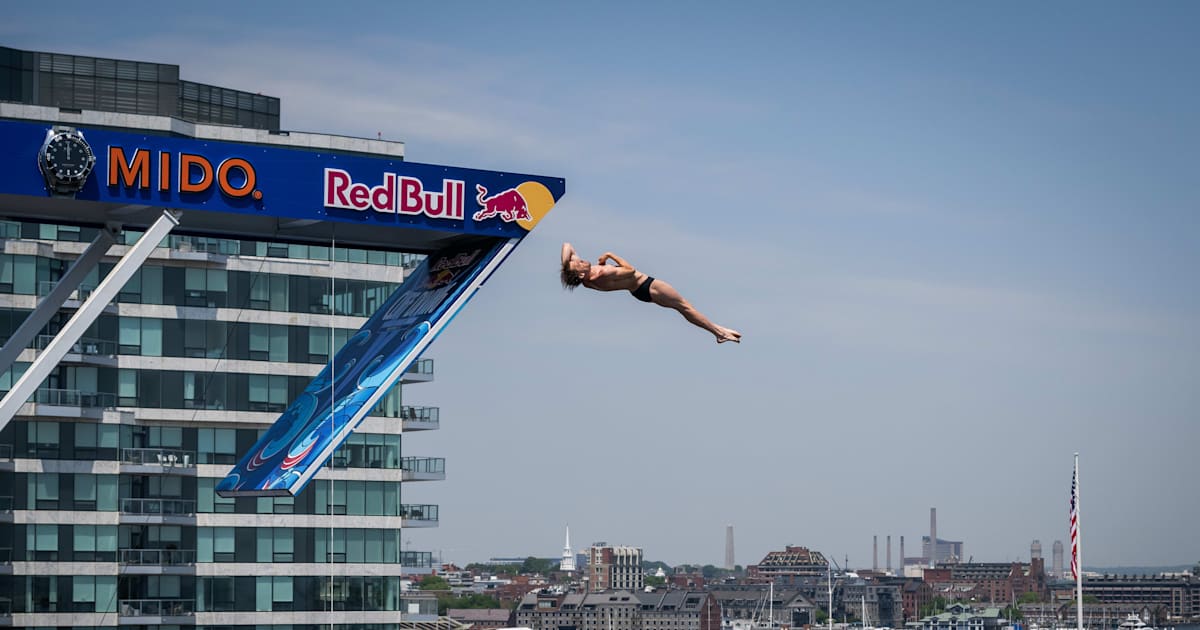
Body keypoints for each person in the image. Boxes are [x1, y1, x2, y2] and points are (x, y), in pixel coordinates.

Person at [560, 242, 741, 344]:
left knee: (686, 307)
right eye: (578, 263)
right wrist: (609, 254)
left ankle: (717, 329)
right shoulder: (603, 272)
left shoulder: (586, 282)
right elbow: (630, 270)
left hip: (638, 292)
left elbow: (567, 246)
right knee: (684, 307)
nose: (581, 259)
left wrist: (567, 268)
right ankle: (718, 333)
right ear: (580, 273)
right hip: (648, 285)